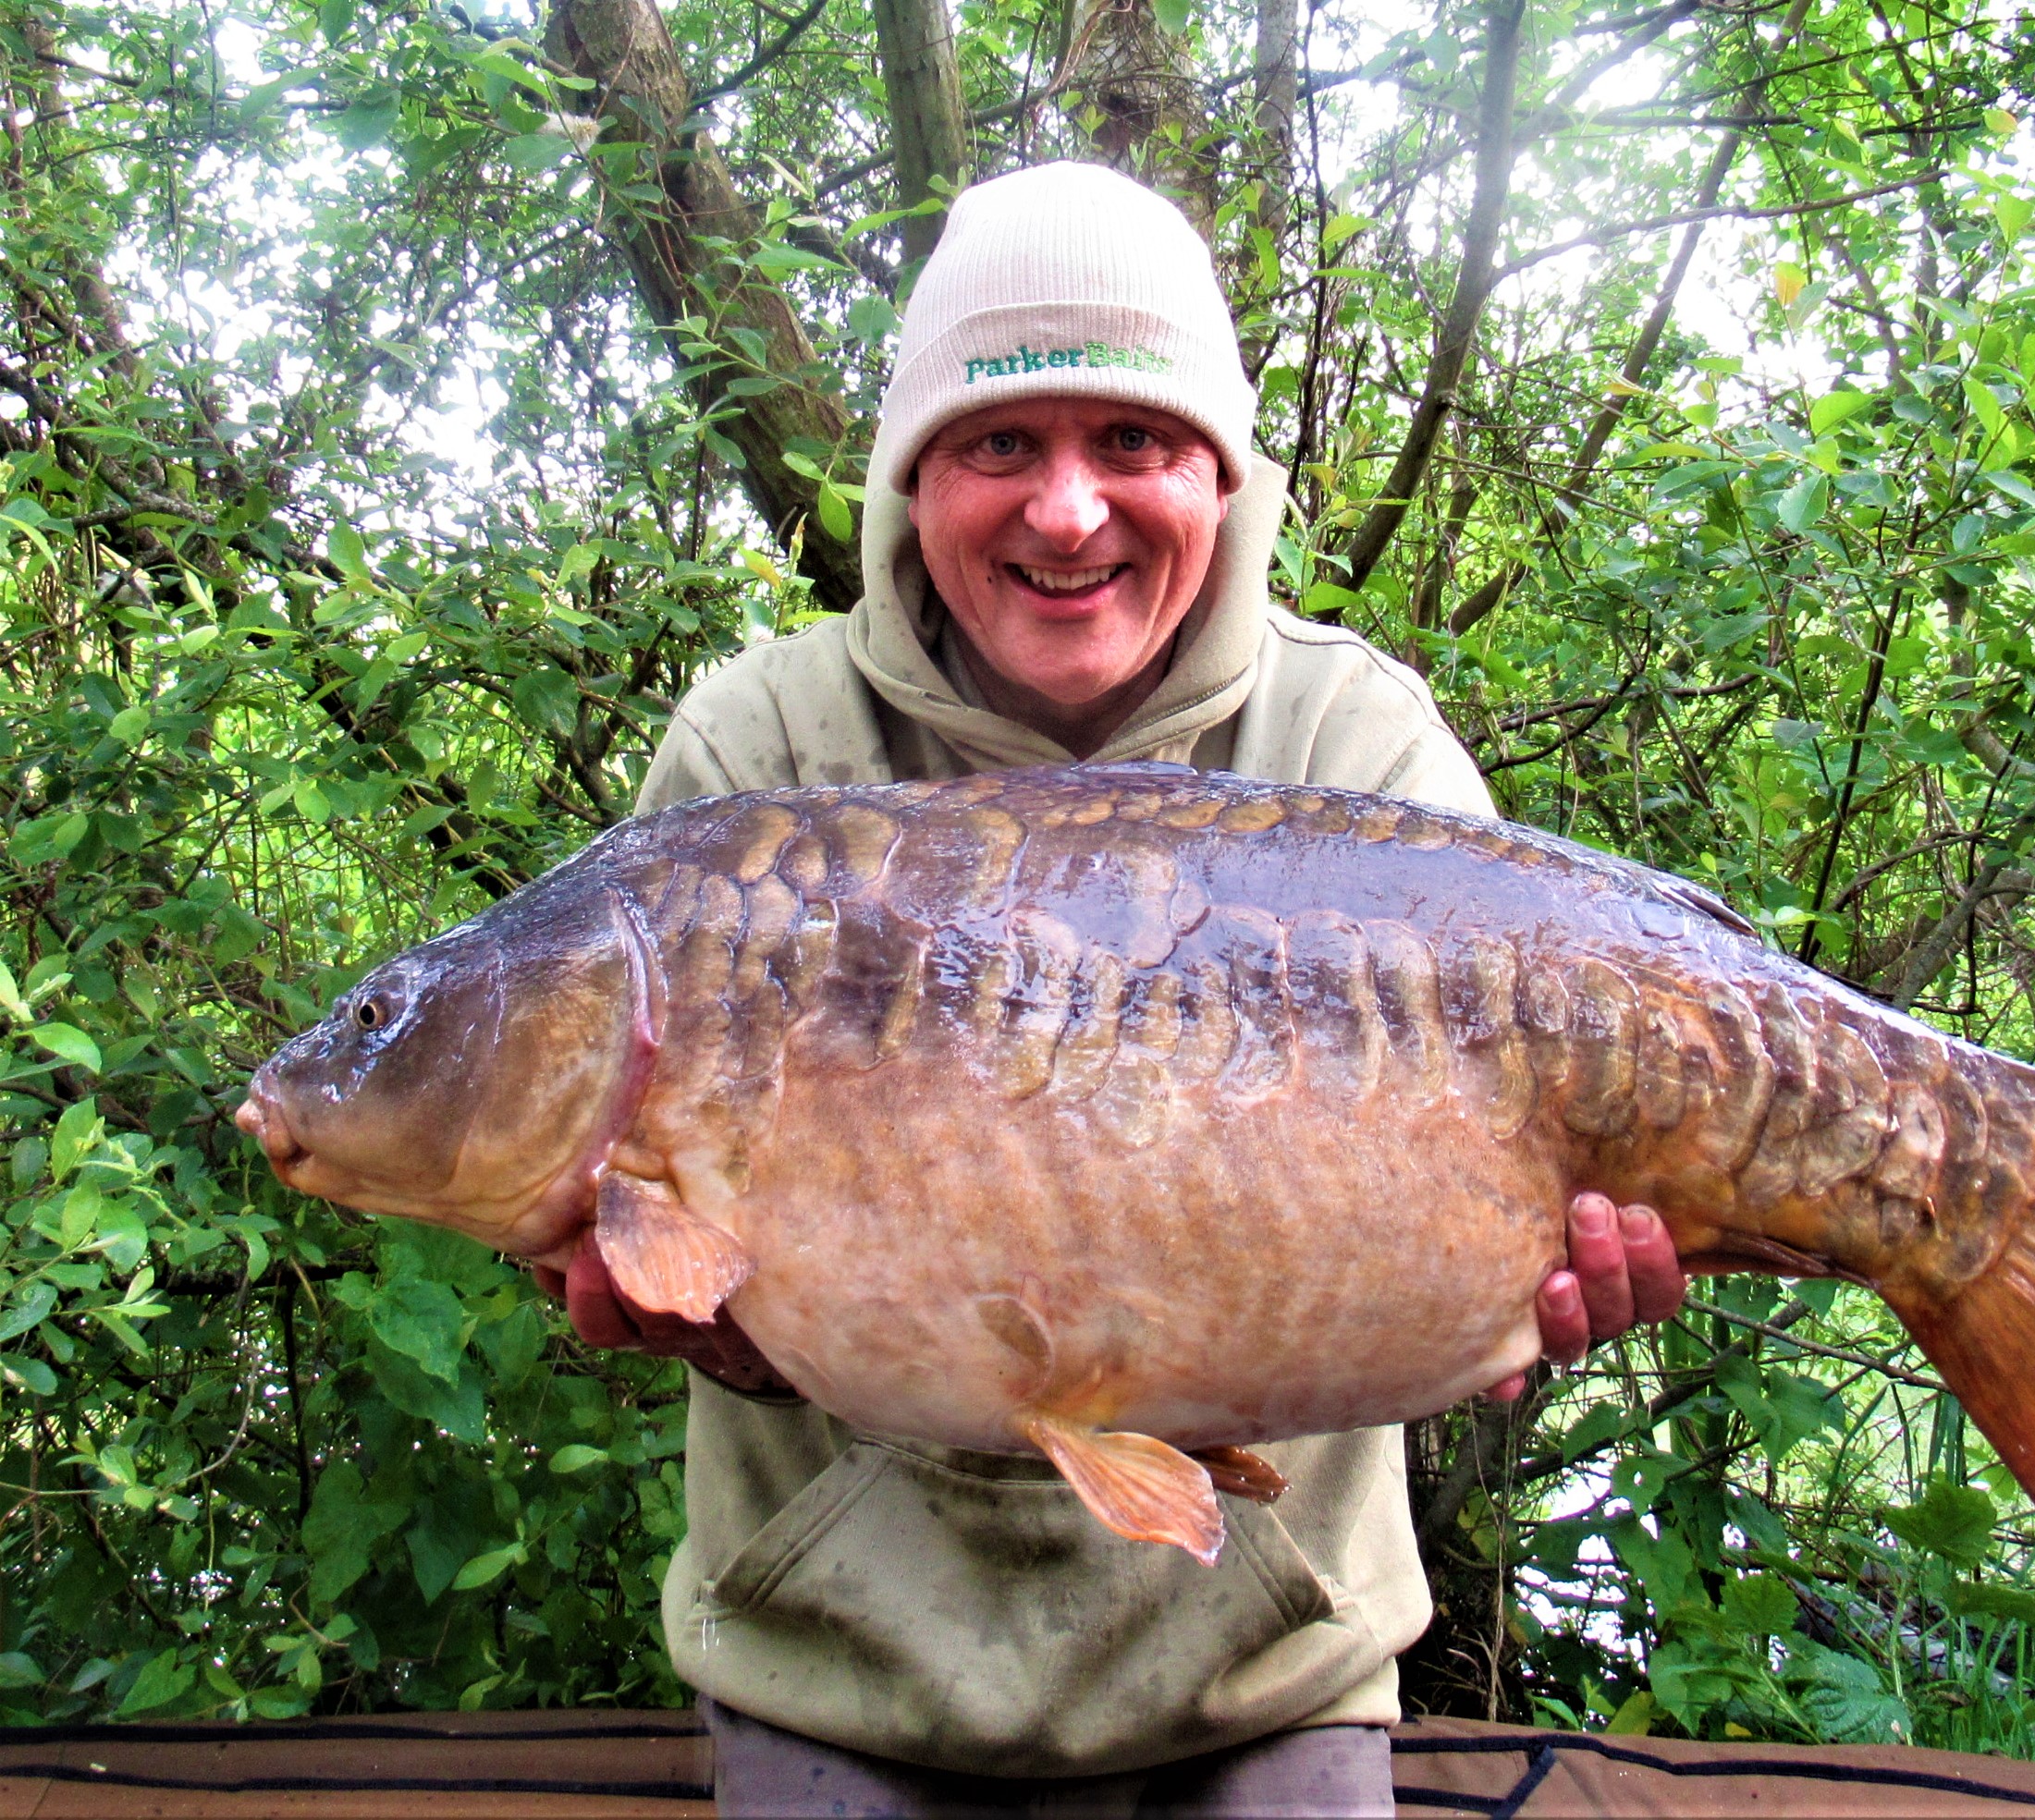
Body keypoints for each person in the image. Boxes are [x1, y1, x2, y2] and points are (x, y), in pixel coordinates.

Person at [540, 161, 1684, 1818]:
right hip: (844, 1659)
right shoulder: (758, 759)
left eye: (1129, 442)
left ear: (1219, 475)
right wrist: (696, 1322)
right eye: (998, 442)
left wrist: (1519, 1289)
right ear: (910, 478)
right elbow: (668, 1262)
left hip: (1262, 1664)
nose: (1063, 511)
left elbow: (1508, 1238)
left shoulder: (1355, 748)